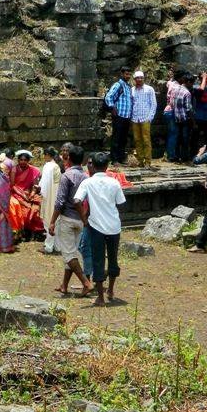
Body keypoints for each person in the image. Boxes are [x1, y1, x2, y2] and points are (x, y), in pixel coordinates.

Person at [74, 153, 126, 307]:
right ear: (106, 166)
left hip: (96, 226)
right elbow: (121, 203)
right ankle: (110, 289)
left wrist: (84, 219)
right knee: (113, 258)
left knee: (98, 260)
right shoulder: (114, 182)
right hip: (114, 226)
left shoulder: (88, 183)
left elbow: (76, 200)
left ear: (93, 166)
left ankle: (101, 297)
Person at [50, 144, 92, 296]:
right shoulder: (86, 177)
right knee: (72, 253)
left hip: (67, 218)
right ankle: (64, 285)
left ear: (69, 158)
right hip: (81, 219)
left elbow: (60, 202)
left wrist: (53, 221)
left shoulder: (67, 176)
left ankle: (86, 283)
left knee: (69, 254)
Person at [10, 150, 44, 240]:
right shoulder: (14, 169)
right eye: (21, 160)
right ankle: (22, 231)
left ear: (28, 161)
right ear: (18, 160)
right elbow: (12, 185)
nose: (23, 162)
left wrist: (32, 194)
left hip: (29, 192)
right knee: (26, 208)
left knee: (37, 205)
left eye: (25, 160)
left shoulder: (34, 170)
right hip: (16, 192)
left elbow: (35, 185)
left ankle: (36, 231)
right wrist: (23, 195)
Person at [104, 66, 134, 164]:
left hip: (126, 116)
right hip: (119, 115)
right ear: (122, 74)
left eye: (129, 74)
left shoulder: (128, 86)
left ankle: (121, 157)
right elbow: (109, 96)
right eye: (126, 74)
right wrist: (112, 107)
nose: (128, 76)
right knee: (116, 137)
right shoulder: (118, 85)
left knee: (123, 138)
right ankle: (114, 159)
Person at [129, 70, 157, 168]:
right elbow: (131, 104)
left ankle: (148, 161)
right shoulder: (132, 90)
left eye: (141, 78)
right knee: (137, 140)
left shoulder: (149, 89)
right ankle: (140, 160)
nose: (139, 80)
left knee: (146, 140)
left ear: (143, 79)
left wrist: (150, 117)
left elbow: (153, 104)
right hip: (135, 118)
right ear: (134, 79)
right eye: (137, 78)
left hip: (145, 117)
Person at [39, 147, 61, 254]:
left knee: (49, 221)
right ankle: (57, 246)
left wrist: (41, 193)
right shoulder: (56, 165)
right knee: (56, 220)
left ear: (47, 154)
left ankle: (48, 246)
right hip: (56, 194)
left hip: (49, 195)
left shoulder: (48, 166)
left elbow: (45, 183)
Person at [192, 71, 207, 154]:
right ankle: (194, 154)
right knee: (195, 137)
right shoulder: (196, 87)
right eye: (204, 77)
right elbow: (201, 91)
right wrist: (204, 78)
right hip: (199, 117)